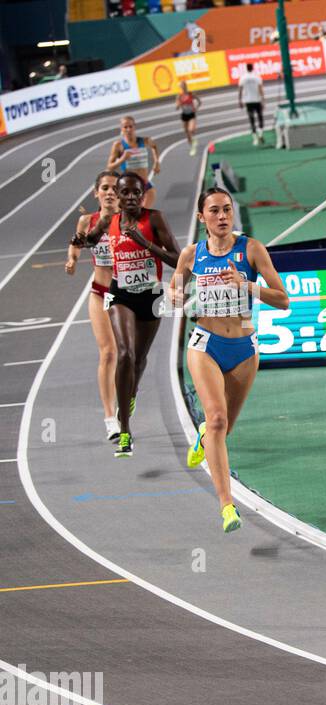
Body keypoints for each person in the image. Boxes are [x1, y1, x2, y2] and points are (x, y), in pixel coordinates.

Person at [174, 187, 288, 532]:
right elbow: (175, 293)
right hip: (205, 344)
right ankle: (227, 505)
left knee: (224, 429)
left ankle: (203, 436)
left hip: (244, 350)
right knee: (219, 420)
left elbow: (283, 300)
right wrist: (176, 295)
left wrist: (247, 285)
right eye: (214, 211)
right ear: (201, 218)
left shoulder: (251, 249)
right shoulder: (191, 255)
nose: (222, 217)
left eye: (227, 210)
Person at [72, 171, 180, 458]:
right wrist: (82, 241)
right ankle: (125, 431)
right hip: (121, 295)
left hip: (151, 297)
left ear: (143, 194)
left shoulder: (154, 218)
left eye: (136, 192)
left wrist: (147, 245)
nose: (131, 197)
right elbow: (93, 239)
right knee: (124, 354)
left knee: (140, 359)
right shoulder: (111, 220)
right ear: (118, 197)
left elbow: (179, 260)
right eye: (125, 193)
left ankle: (129, 396)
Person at [65, 170, 121, 443]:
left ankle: (125, 400)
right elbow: (76, 243)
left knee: (129, 356)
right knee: (108, 353)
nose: (110, 192)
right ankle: (110, 418)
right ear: (96, 193)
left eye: (115, 188)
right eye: (105, 188)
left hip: (127, 296)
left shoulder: (130, 220)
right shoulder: (87, 221)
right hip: (100, 293)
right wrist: (73, 260)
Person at [106, 116, 159, 209]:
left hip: (145, 184)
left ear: (135, 126)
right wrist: (122, 159)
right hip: (129, 186)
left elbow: (154, 147)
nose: (128, 129)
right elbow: (109, 167)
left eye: (130, 126)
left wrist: (156, 162)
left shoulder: (145, 141)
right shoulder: (118, 145)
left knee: (144, 214)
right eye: (125, 127)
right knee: (130, 217)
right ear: (121, 129)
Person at [237, 63, 265, 145]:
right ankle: (260, 134)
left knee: (251, 119)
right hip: (257, 100)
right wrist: (263, 100)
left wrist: (240, 100)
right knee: (260, 118)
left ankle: (255, 139)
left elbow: (240, 90)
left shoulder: (243, 78)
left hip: (248, 101)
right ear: (252, 68)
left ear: (246, 68)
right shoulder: (257, 77)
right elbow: (260, 89)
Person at [175, 81, 201, 156]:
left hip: (191, 114)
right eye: (181, 86)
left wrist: (196, 107)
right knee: (187, 133)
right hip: (184, 115)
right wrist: (178, 105)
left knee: (191, 130)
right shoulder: (179, 96)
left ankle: (194, 141)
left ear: (186, 86)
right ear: (180, 87)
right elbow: (176, 107)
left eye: (184, 85)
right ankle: (192, 146)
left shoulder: (191, 94)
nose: (183, 87)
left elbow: (199, 102)